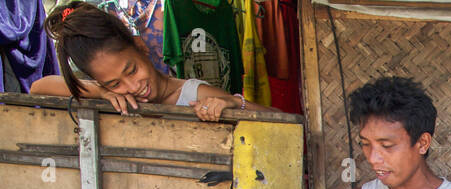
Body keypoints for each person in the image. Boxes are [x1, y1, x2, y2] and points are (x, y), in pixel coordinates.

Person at [31, 1, 273, 122]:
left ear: (140, 46)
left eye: (132, 70)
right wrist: (101, 92)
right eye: (115, 84)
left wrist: (232, 102)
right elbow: (38, 88)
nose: (132, 87)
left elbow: (281, 118)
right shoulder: (108, 93)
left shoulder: (191, 92)